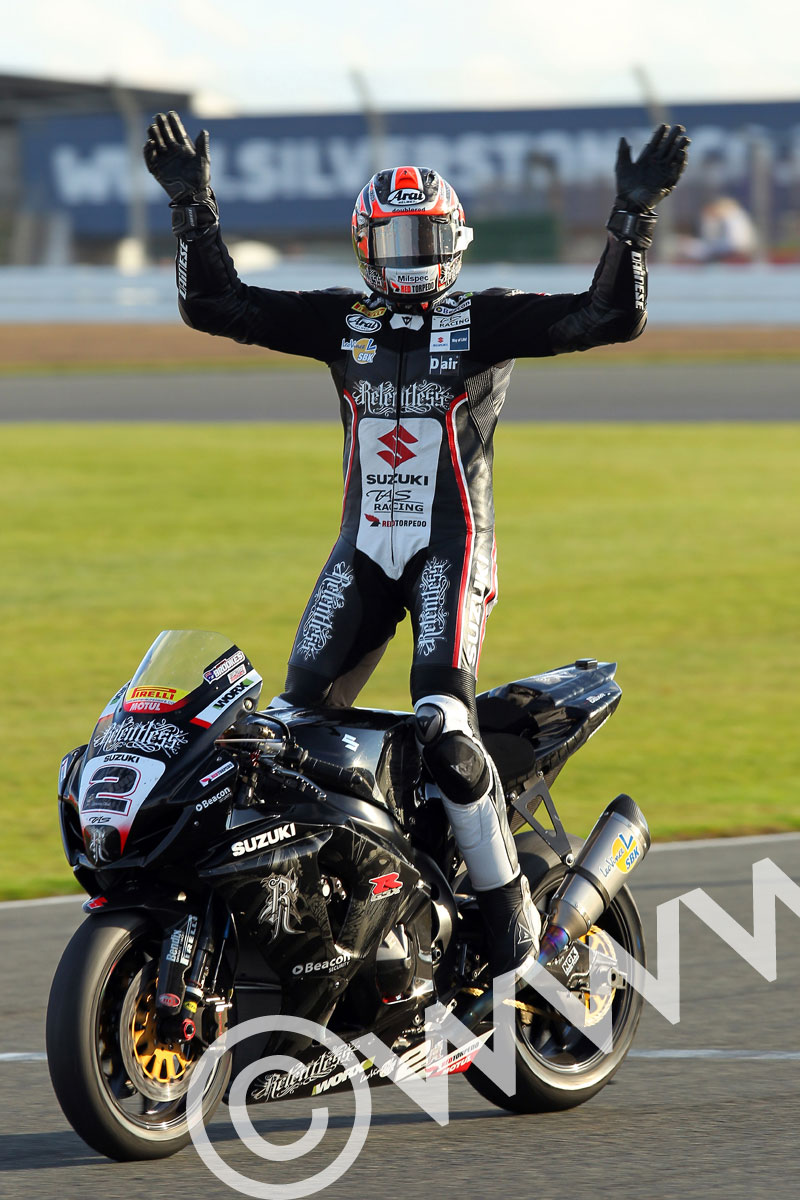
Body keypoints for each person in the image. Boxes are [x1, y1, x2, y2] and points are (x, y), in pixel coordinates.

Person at [144, 113, 689, 980]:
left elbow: (607, 317)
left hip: (450, 549)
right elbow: (217, 306)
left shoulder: (487, 319)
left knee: (445, 726)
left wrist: (634, 219)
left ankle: (509, 908)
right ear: (366, 246)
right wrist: (192, 209)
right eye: (397, 240)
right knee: (286, 731)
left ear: (456, 242)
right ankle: (334, 905)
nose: (412, 257)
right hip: (361, 551)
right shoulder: (340, 321)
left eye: (426, 239)